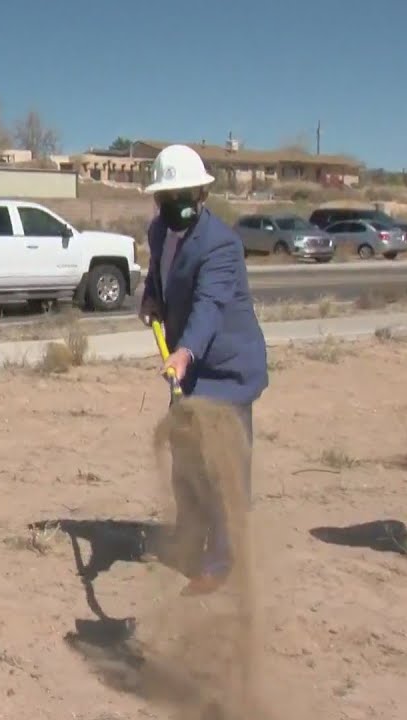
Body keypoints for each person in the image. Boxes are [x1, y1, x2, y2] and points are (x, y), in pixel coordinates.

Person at [138, 144, 268, 596]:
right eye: (166, 196)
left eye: (182, 194)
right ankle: (191, 541)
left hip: (226, 369)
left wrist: (185, 351)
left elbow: (210, 306)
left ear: (201, 192)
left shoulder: (222, 245)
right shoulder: (158, 231)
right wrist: (151, 297)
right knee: (187, 465)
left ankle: (221, 561)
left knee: (225, 470)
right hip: (187, 371)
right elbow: (161, 277)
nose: (174, 204)